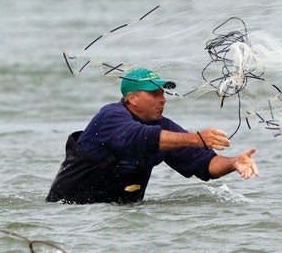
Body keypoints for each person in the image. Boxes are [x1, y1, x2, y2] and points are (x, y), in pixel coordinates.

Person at [46, 67, 259, 204]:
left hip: (119, 218)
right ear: (132, 98)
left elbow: (205, 163)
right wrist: (197, 138)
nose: (163, 99)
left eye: (163, 93)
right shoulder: (110, 116)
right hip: (69, 214)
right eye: (155, 93)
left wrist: (234, 163)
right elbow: (139, 137)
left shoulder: (164, 127)